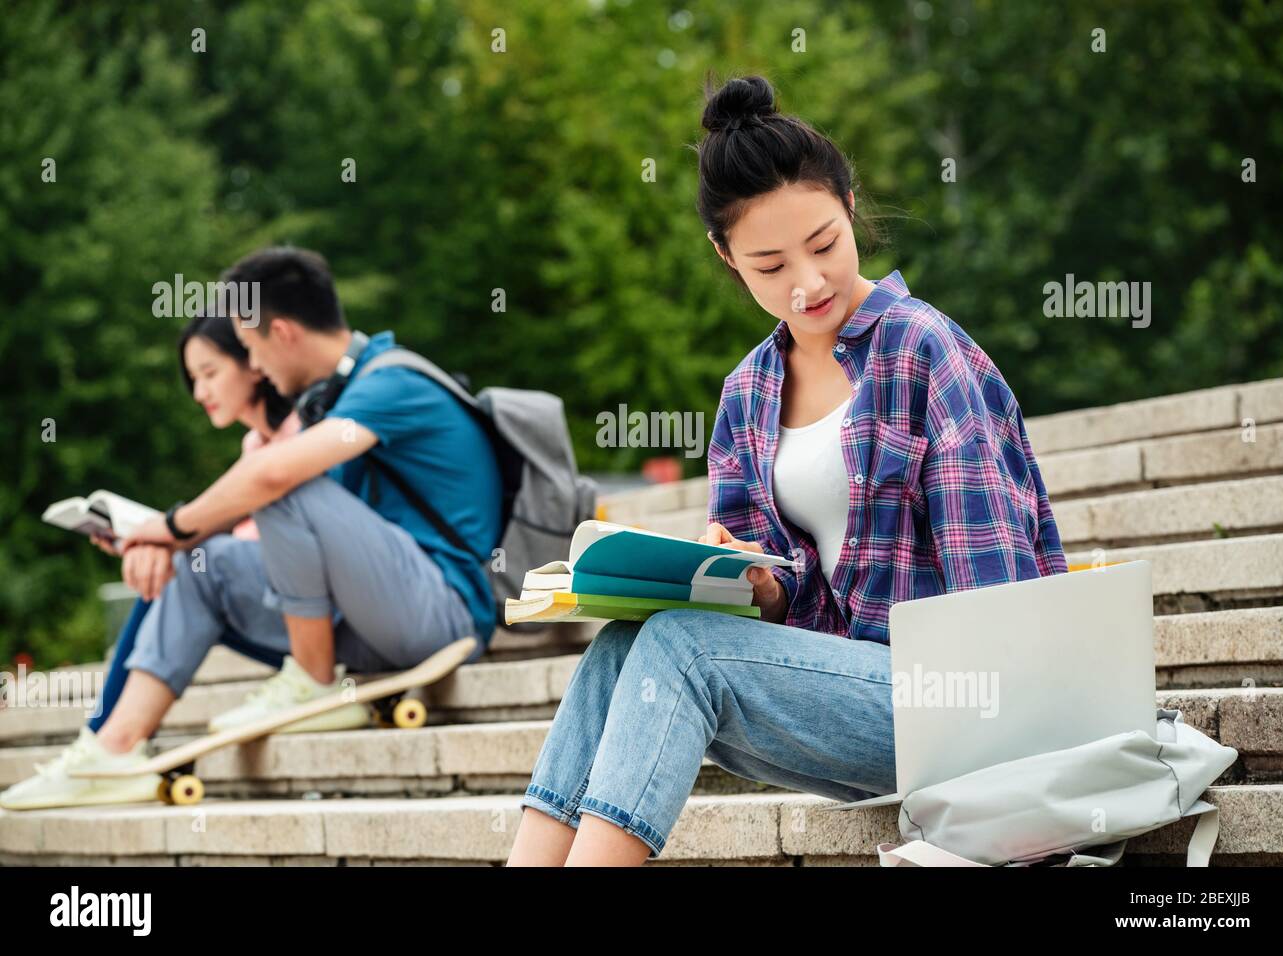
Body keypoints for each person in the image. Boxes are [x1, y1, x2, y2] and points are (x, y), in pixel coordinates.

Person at [507, 75, 1069, 865]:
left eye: (824, 245)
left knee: (680, 650)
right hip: (851, 700)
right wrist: (754, 587)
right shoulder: (747, 393)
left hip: (967, 701)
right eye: (769, 265)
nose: (806, 284)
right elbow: (779, 623)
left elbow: (1001, 599)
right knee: (618, 649)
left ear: (849, 202)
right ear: (726, 258)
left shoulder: (923, 350)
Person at [2, 247, 502, 810]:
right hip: (376, 617)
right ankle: (112, 750)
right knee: (205, 564)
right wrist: (164, 539)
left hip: (443, 613)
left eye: (252, 349)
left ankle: (311, 679)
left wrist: (169, 525)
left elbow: (273, 476)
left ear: (283, 332)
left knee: (281, 479)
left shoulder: (392, 383)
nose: (256, 368)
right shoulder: (339, 397)